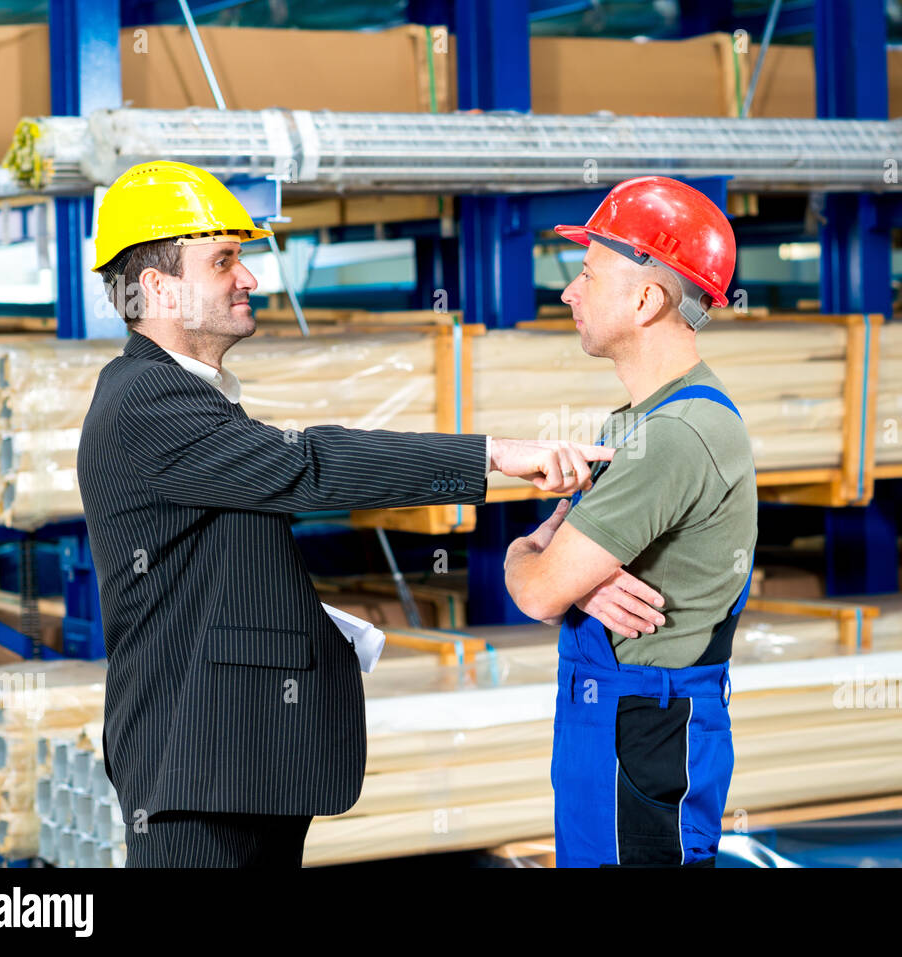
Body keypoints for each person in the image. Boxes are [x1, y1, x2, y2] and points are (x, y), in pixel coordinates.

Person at [77, 160, 612, 867]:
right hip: (193, 766)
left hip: (232, 762)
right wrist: (493, 454)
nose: (251, 279)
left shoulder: (186, 398)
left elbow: (215, 567)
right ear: (157, 287)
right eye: (225, 260)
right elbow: (309, 466)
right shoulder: (147, 400)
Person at [503, 176, 757, 867]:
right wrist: (570, 577)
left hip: (642, 731)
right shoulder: (646, 422)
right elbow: (555, 581)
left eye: (587, 273)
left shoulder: (675, 434)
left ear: (647, 298)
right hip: (617, 724)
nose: (569, 292)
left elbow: (534, 590)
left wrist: (536, 557)